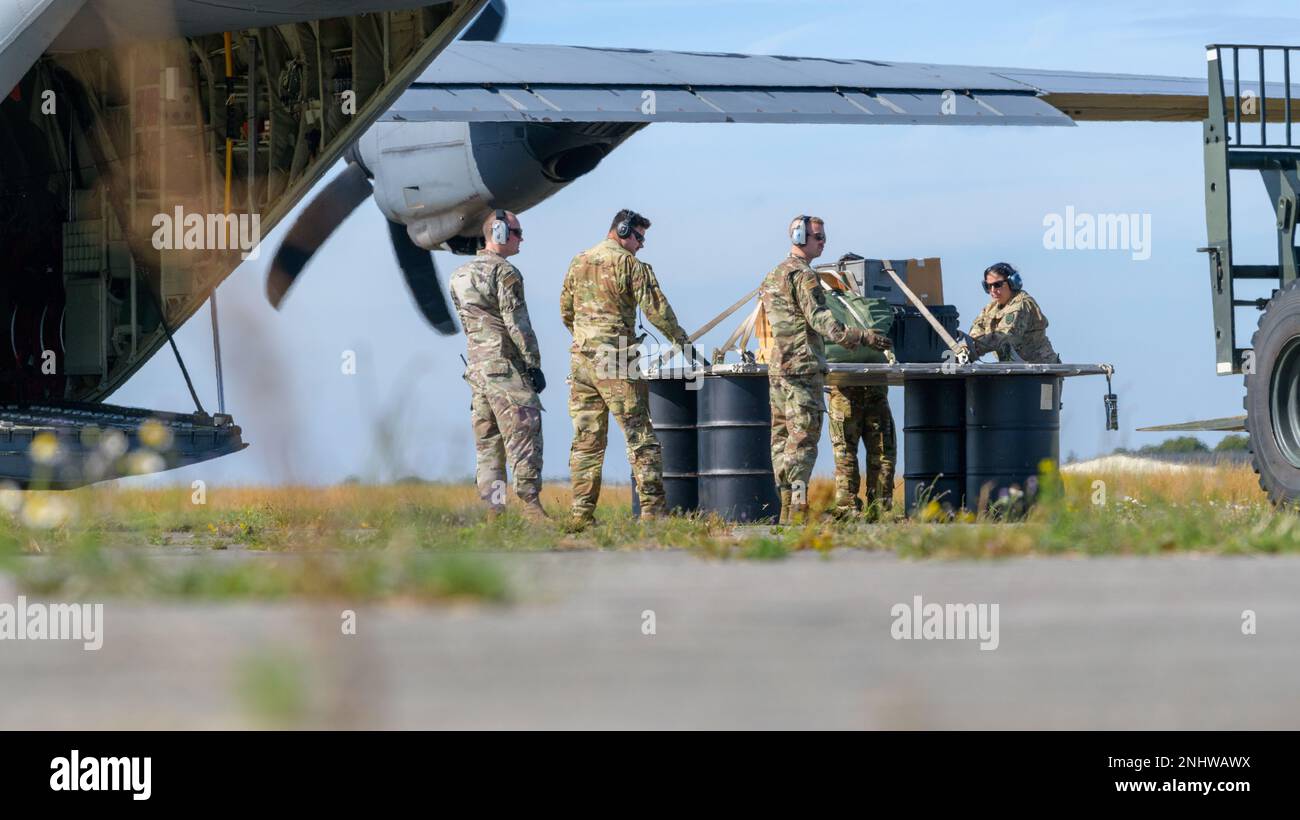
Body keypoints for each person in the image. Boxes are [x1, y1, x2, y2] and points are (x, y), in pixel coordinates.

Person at [560, 208, 694, 532]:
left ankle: (581, 515)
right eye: (639, 237)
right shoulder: (630, 265)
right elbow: (657, 311)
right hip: (617, 357)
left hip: (580, 359)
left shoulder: (579, 261)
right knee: (640, 435)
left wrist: (587, 340)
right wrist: (683, 343)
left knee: (586, 441)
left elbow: (566, 310)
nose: (641, 245)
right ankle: (653, 511)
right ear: (623, 230)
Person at [761, 215, 892, 525]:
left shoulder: (772, 275)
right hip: (802, 368)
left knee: (781, 440)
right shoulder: (805, 277)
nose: (823, 242)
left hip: (778, 368)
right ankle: (798, 510)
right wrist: (862, 336)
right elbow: (821, 321)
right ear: (799, 237)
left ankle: (785, 509)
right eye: (818, 237)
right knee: (803, 441)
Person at [448, 209, 548, 521]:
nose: (522, 239)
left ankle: (494, 510)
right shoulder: (505, 273)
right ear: (501, 234)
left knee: (489, 444)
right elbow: (517, 324)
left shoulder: (458, 276)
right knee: (524, 432)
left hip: (477, 370)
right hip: (504, 369)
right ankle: (531, 507)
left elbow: (467, 324)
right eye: (517, 233)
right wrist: (533, 365)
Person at [960, 262, 1059, 363]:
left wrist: (975, 347)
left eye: (997, 284)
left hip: (1040, 369)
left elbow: (1005, 338)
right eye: (988, 286)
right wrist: (964, 347)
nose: (993, 290)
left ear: (1012, 282)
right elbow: (976, 332)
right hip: (1017, 368)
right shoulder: (991, 307)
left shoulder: (1021, 303)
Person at [828, 385, 896, 519]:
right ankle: (880, 508)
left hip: (843, 391)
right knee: (882, 453)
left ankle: (847, 507)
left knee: (844, 451)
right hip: (876, 390)